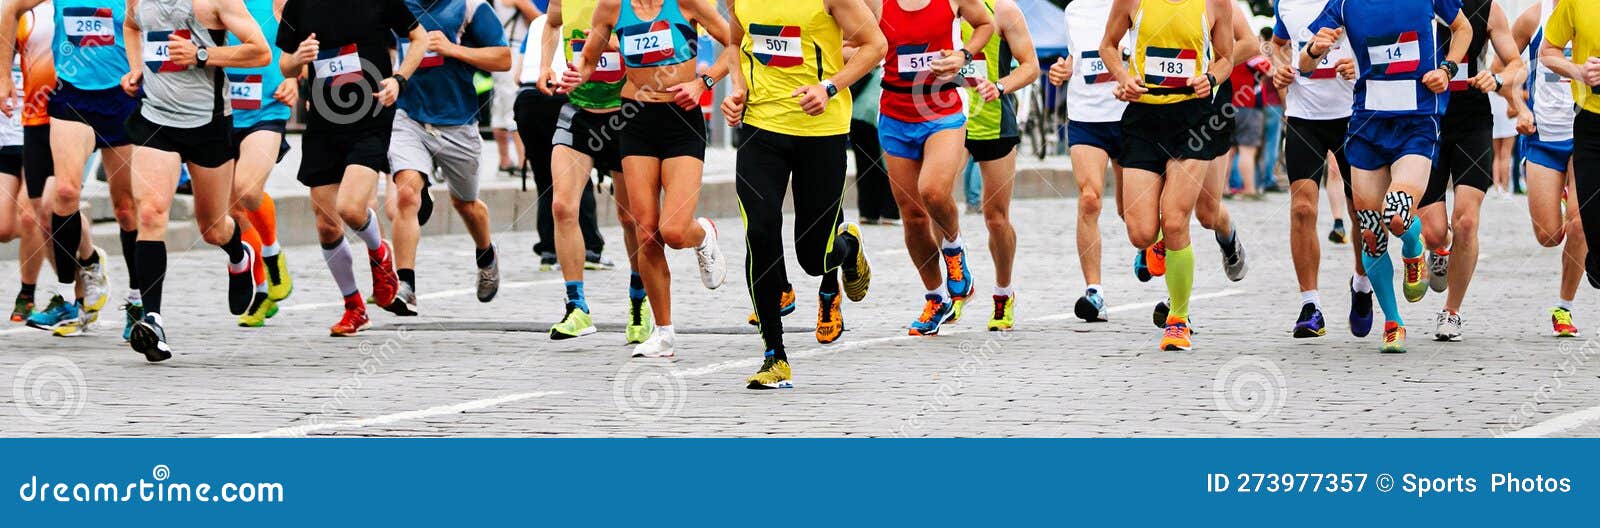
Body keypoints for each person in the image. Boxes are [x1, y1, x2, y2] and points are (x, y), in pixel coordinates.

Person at [721, 0, 881, 388]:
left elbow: (876, 45)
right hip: (761, 130)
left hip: (821, 132)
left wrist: (830, 87)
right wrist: (738, 89)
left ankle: (848, 247)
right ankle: (774, 356)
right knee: (759, 231)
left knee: (813, 258)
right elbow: (735, 43)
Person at [561, 0, 729, 357]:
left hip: (681, 119)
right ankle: (663, 333)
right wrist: (577, 73)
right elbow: (588, 59)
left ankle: (702, 234)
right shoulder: (611, 7)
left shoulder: (686, 3)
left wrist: (703, 82)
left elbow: (735, 45)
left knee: (674, 231)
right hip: (636, 119)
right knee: (646, 232)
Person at [1302, 0, 1470, 353]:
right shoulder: (1344, 4)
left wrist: (1447, 69)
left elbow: (1463, 28)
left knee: (1396, 211)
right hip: (1366, 124)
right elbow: (1304, 64)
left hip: (1417, 122)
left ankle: (1413, 246)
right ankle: (1393, 323)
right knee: (1370, 231)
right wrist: (1315, 49)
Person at [120, 0, 271, 360]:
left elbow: (260, 52)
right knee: (150, 213)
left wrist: (201, 55)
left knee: (213, 228)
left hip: (208, 124)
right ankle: (152, 320)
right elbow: (131, 25)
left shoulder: (216, 2)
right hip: (155, 118)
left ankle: (239, 254)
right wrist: (136, 67)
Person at [277, 0, 428, 336]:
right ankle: (354, 307)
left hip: (370, 117)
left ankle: (379, 253)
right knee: (326, 226)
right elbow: (285, 64)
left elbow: (421, 38)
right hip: (323, 122)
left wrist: (399, 80)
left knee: (350, 207)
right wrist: (298, 58)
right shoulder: (299, 5)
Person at [1101, 0, 1236, 350]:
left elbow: (1227, 57)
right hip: (1143, 118)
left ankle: (1178, 320)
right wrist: (1123, 77)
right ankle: (1160, 243)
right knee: (1141, 233)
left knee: (1175, 220)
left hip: (1194, 120)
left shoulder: (1215, 3)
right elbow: (1108, 45)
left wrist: (1211, 78)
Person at [1, 0, 132, 338]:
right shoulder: (32, 9)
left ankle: (121, 300)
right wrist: (4, 78)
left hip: (102, 103)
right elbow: (9, 13)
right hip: (42, 113)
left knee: (108, 206)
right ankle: (83, 272)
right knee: (50, 209)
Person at [870, 0, 993, 336]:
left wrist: (964, 55)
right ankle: (936, 297)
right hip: (895, 113)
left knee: (933, 191)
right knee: (912, 215)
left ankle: (953, 248)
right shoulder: (875, 3)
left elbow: (985, 24)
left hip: (942, 108)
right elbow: (854, 40)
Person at [385, 0, 513, 317]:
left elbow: (504, 58)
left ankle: (486, 255)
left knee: (466, 204)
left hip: (458, 124)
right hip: (410, 118)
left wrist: (453, 50)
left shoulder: (470, 7)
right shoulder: (399, 5)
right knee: (406, 194)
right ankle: (406, 286)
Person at [540, 0, 651, 344]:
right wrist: (546, 66)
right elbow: (551, 24)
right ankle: (576, 307)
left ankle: (639, 300)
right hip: (579, 110)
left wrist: (618, 43)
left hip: (627, 113)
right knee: (562, 206)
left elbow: (667, 49)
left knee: (632, 218)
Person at [1416, 0, 1524, 341]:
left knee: (1466, 221)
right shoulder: (1417, 4)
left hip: (1472, 122)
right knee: (1434, 232)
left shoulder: (1488, 8)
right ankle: (1441, 248)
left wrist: (1497, 77)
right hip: (1426, 121)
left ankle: (1451, 312)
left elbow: (1517, 65)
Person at [1270, 0, 1373, 338]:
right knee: (1302, 209)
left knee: (1361, 211)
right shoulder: (1285, 3)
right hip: (1304, 119)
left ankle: (1361, 283)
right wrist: (1279, 68)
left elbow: (1382, 41)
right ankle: (1310, 305)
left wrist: (1360, 65)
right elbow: (1278, 45)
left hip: (1352, 116)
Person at [956, 0, 1038, 331]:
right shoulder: (940, 8)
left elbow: (1030, 66)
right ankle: (955, 281)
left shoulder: (1004, 11)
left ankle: (1003, 292)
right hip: (949, 120)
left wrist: (1001, 85)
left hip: (993, 123)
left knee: (995, 217)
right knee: (933, 197)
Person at [512, 13, 609, 272]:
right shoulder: (590, 17)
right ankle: (590, 250)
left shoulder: (538, 23)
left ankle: (548, 251)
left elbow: (517, 75)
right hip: (564, 95)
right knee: (577, 179)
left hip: (529, 98)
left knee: (545, 179)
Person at [1051, 0, 1126, 323]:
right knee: (1089, 199)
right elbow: (1077, 56)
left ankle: (1151, 245)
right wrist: (1064, 69)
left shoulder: (1133, 5)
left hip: (1129, 115)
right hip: (1085, 117)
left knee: (1132, 213)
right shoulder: (1074, 10)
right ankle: (1094, 292)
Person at [1515, 0, 1585, 337]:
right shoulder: (1534, 16)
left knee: (1579, 225)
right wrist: (1518, 105)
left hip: (1586, 135)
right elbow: (1505, 66)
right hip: (1543, 137)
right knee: (1549, 236)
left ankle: (1564, 308)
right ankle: (1563, 198)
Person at [229, 0, 296, 328]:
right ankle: (261, 290)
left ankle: (272, 252)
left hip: (267, 109)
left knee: (248, 190)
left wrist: (294, 78)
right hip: (221, 112)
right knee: (234, 212)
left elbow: (303, 42)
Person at [492, 0, 539, 174]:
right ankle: (523, 162)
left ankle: (504, 160)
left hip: (499, 49)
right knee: (514, 105)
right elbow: (539, 19)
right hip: (512, 50)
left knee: (500, 106)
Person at [850, 65, 898, 225]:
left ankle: (868, 213)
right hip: (877, 119)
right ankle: (890, 213)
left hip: (856, 117)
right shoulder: (891, 71)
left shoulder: (875, 68)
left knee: (864, 167)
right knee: (889, 165)